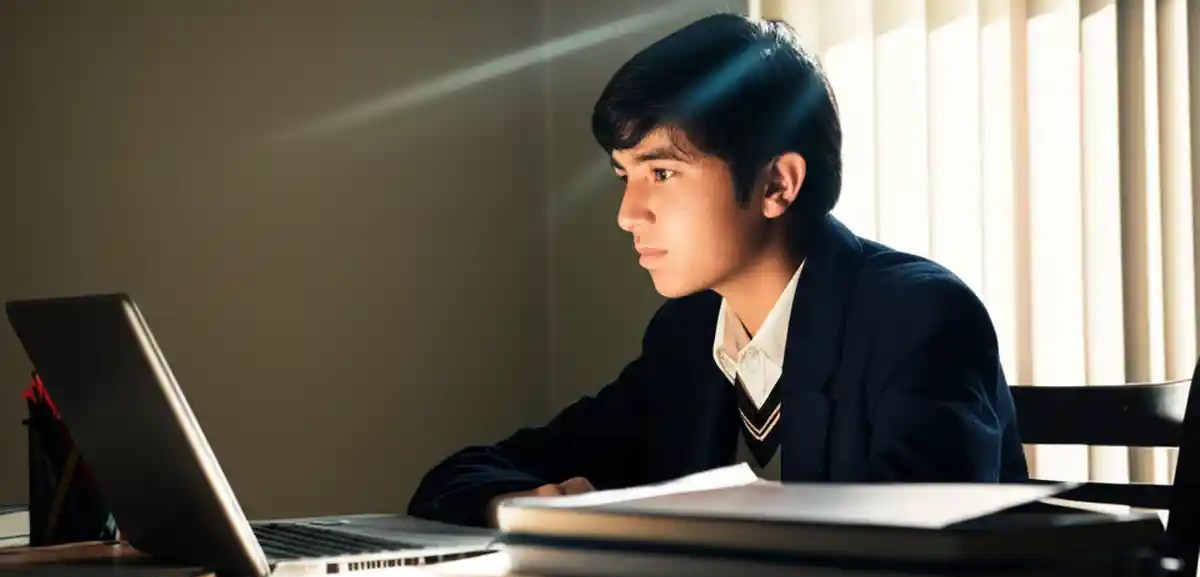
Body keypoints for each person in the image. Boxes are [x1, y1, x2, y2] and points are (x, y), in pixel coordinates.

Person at [408, 13, 1028, 528]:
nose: (628, 214)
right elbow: (462, 476)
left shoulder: (918, 319)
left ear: (776, 184)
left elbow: (918, 552)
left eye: (662, 173)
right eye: (625, 176)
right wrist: (516, 507)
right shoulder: (686, 336)